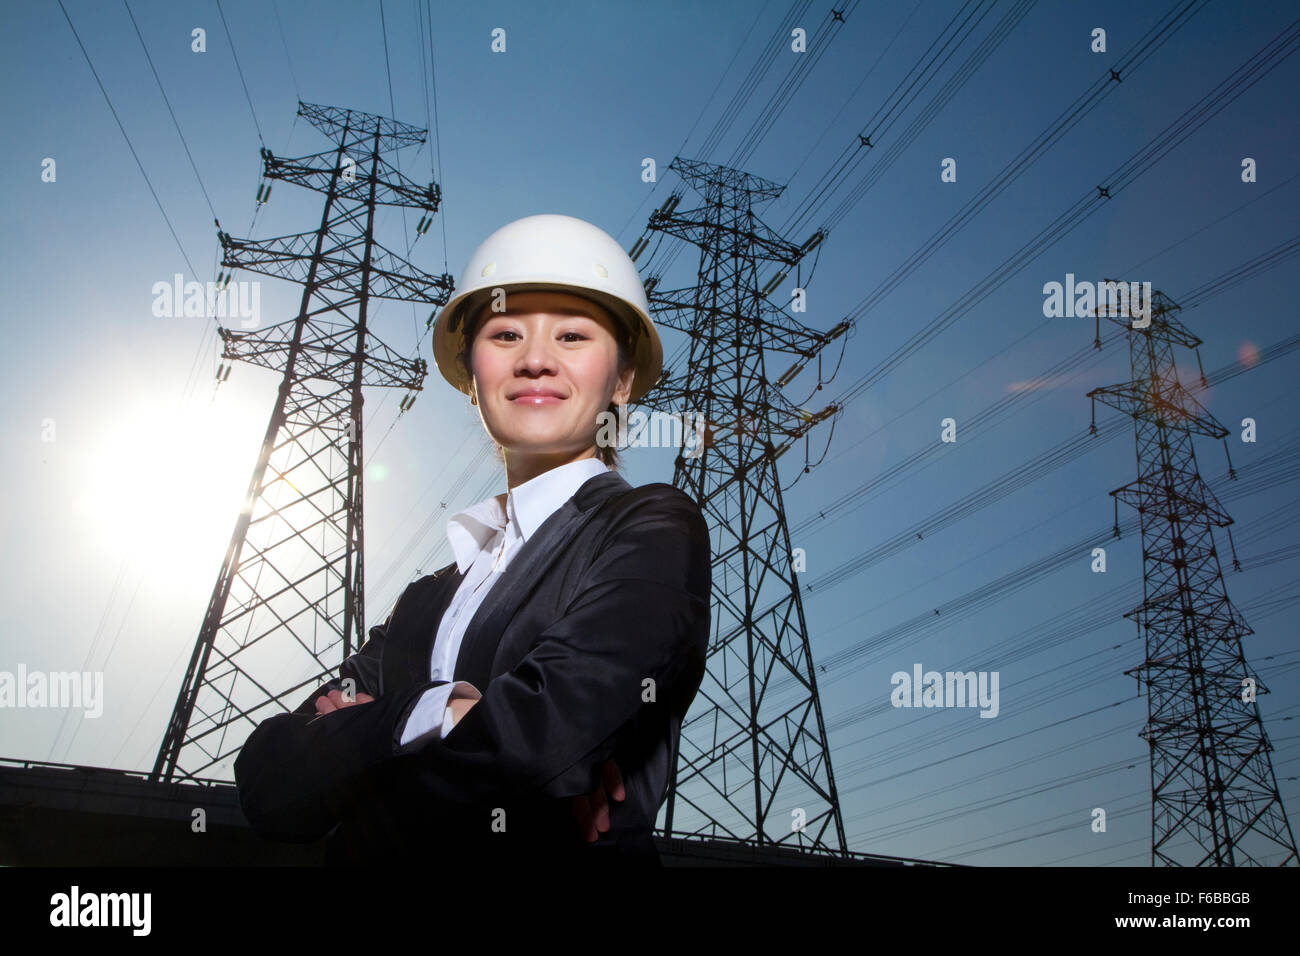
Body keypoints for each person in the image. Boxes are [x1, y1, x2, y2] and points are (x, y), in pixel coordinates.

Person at [233, 213, 712, 866]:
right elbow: (269, 784)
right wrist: (437, 711)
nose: (535, 359)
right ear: (470, 376)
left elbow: (537, 742)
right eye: (506, 334)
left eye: (573, 335)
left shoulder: (651, 529)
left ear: (622, 380)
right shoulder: (423, 600)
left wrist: (358, 752)